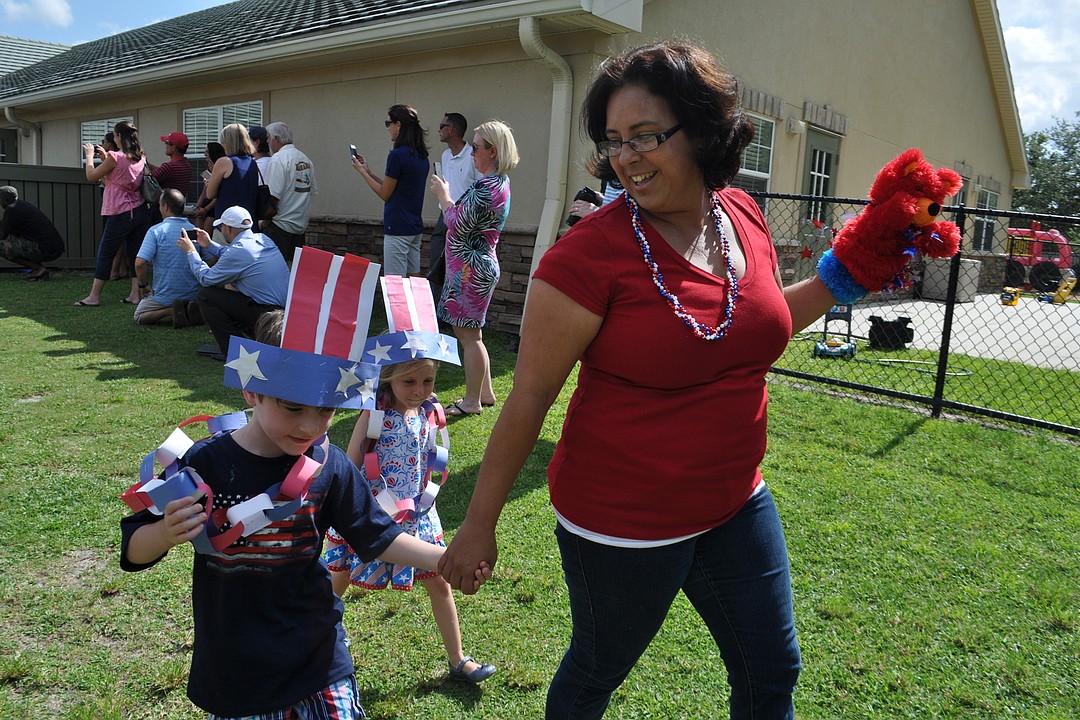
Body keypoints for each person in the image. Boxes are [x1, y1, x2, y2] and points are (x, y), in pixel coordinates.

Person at [437, 42, 857, 719]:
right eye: (614, 142)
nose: (626, 158)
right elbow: (529, 401)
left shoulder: (741, 216)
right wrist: (477, 526)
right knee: (598, 669)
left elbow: (757, 326)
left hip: (736, 501)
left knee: (772, 669)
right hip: (623, 523)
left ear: (702, 128)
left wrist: (843, 276)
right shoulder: (584, 260)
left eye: (645, 136)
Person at [119, 283, 490, 717]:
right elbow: (132, 550)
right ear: (251, 392)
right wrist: (164, 532)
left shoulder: (329, 466)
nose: (310, 426)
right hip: (237, 663)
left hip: (319, 653)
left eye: (327, 409)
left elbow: (376, 536)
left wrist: (447, 560)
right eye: (292, 407)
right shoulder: (205, 463)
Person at [327, 354, 496, 683]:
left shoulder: (429, 410)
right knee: (341, 575)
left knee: (439, 580)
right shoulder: (375, 413)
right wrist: (350, 507)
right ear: (388, 377)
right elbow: (351, 461)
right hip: (373, 512)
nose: (419, 390)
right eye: (409, 382)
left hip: (417, 514)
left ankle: (458, 659)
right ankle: (319, 632)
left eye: (427, 381)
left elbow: (428, 456)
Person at [429, 119, 518, 417]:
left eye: (476, 147)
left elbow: (456, 222)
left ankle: (471, 401)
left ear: (492, 151)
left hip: (471, 271)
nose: (472, 153)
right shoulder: (497, 183)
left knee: (468, 336)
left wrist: (444, 197)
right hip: (475, 268)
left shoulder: (487, 187)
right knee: (473, 335)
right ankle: (485, 393)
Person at [178, 205, 290, 361]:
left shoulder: (240, 251)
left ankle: (234, 351)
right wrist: (210, 245)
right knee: (229, 292)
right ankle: (241, 346)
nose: (220, 230)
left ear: (229, 228)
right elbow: (234, 255)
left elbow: (206, 278)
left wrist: (191, 252)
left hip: (267, 318)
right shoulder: (262, 239)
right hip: (283, 316)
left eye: (221, 226)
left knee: (206, 295)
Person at [76, 121, 151, 307]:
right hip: (139, 210)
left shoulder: (115, 157)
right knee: (134, 253)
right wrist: (105, 158)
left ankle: (94, 297)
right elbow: (120, 176)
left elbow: (91, 176)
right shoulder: (140, 157)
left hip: (119, 211)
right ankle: (135, 294)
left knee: (105, 253)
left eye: (115, 135)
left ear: (119, 136)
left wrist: (89, 156)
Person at [352, 104, 429, 277]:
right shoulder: (420, 156)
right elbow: (394, 187)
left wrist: (362, 172)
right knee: (414, 282)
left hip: (398, 228)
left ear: (399, 125)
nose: (388, 128)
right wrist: (369, 171)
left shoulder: (397, 155)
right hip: (414, 228)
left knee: (395, 285)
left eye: (389, 123)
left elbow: (385, 193)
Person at [427, 112, 480, 307]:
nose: (438, 130)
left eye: (441, 126)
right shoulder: (445, 155)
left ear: (452, 129)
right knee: (437, 265)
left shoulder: (472, 156)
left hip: (464, 221)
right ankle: (436, 314)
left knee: (458, 269)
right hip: (444, 217)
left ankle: (454, 312)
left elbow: (480, 189)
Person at [132, 189, 201, 327]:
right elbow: (210, 259)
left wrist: (143, 285)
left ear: (166, 207)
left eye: (159, 204)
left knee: (139, 316)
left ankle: (170, 311)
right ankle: (190, 308)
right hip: (193, 293)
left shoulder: (156, 231)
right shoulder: (195, 230)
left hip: (165, 295)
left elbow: (140, 262)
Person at [263, 121, 318, 262]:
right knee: (293, 270)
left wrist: (265, 220)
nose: (267, 142)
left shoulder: (278, 159)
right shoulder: (305, 159)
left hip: (280, 226)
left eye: (268, 138)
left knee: (276, 269)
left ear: (276, 138)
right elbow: (309, 191)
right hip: (300, 226)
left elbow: (272, 196)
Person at [0, 185, 65, 281]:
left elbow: (2, 236)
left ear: (6, 199)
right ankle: (38, 268)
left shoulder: (12, 209)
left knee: (1, 246)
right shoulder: (20, 206)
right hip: (53, 248)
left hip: (46, 249)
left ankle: (39, 268)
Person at [203, 123, 260, 223]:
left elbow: (210, 194)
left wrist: (209, 184)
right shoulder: (253, 162)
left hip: (227, 224)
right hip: (248, 221)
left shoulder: (224, 162)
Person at [146, 131, 193, 224]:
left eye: (166, 143)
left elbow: (149, 180)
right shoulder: (187, 166)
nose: (165, 146)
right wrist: (147, 164)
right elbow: (162, 171)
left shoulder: (169, 167)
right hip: (177, 208)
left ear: (173, 147)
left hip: (163, 210)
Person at [191, 141, 227, 235]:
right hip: (206, 203)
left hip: (213, 206)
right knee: (197, 233)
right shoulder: (210, 166)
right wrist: (198, 206)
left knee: (206, 233)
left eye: (207, 152)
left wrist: (205, 209)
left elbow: (218, 195)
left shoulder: (221, 167)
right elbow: (204, 191)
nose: (204, 154)